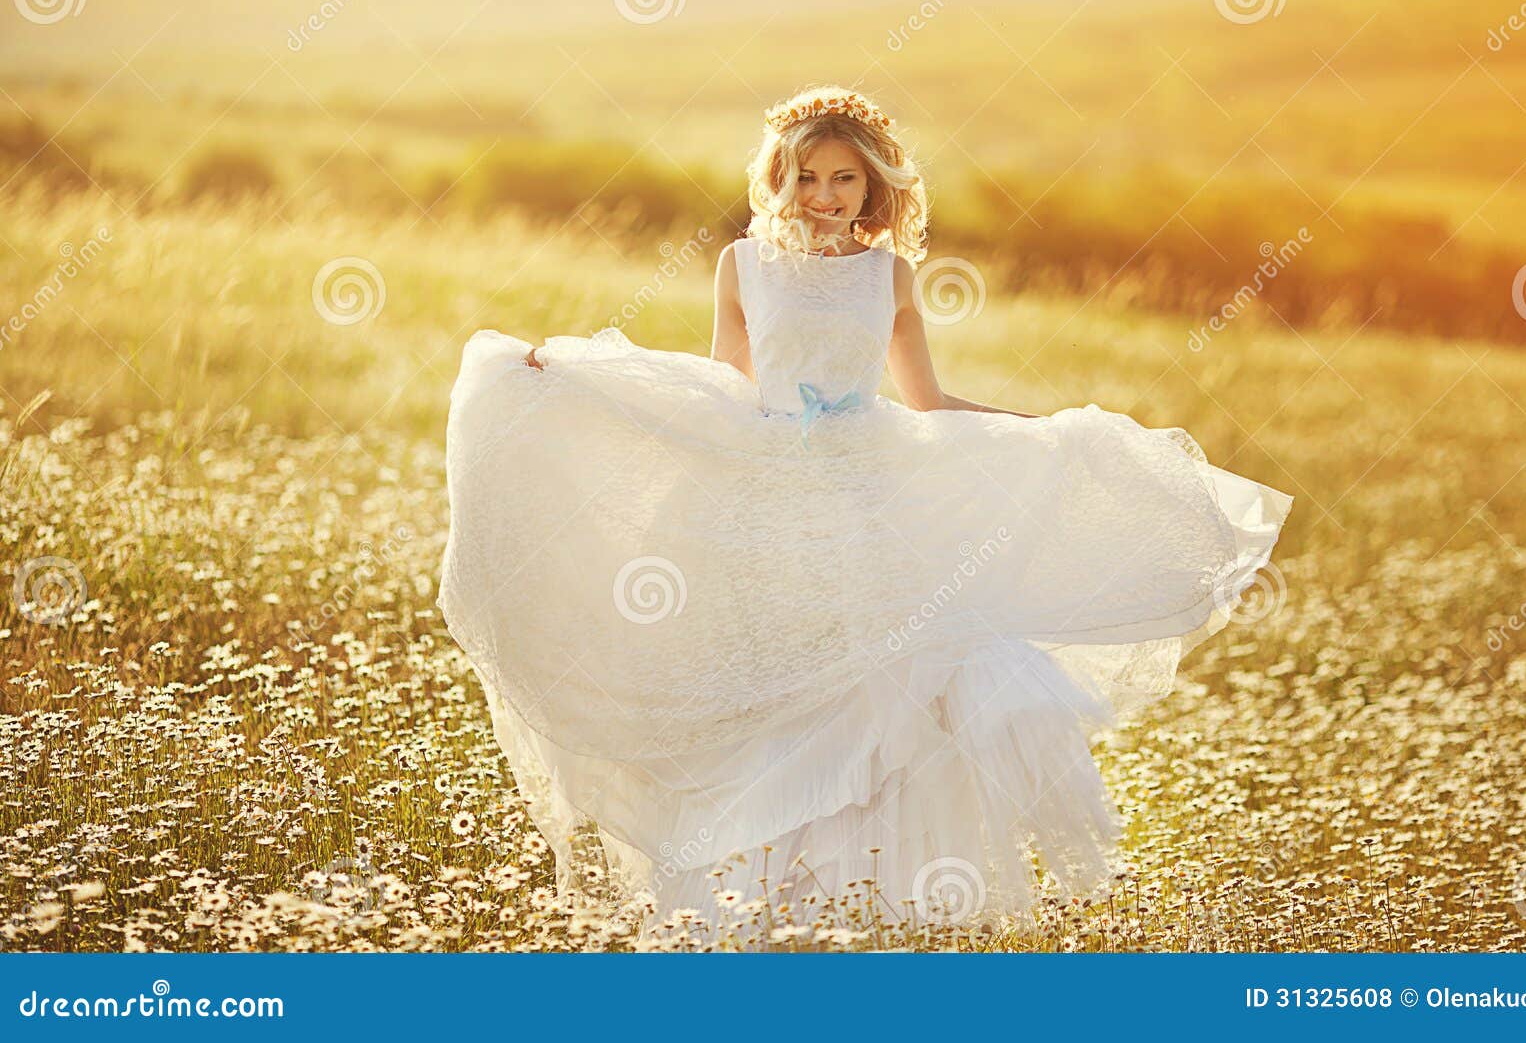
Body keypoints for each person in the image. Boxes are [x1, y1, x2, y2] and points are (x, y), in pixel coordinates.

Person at [436, 83, 1292, 947]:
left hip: (868, 492)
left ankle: (873, 904)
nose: (824, 195)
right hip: (759, 497)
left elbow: (927, 399)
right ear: (780, 177)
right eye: (807, 175)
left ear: (874, 186)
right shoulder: (743, 264)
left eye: (845, 178)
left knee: (883, 686)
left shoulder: (890, 274)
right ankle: (751, 912)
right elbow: (723, 386)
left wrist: (1058, 433)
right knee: (767, 692)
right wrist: (586, 380)